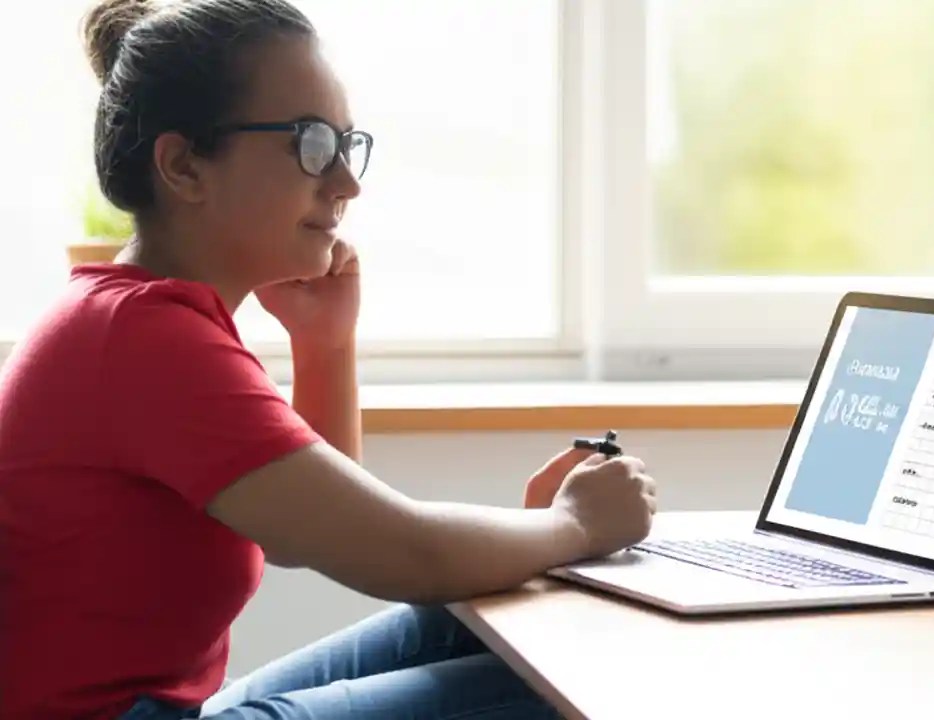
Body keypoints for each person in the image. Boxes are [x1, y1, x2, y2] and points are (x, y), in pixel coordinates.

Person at [0, 1, 657, 718]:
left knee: (484, 626)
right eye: (310, 143)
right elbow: (406, 554)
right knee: (563, 681)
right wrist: (576, 525)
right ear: (184, 166)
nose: (346, 182)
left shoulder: (137, 318)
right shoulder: (146, 340)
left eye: (347, 144)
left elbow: (307, 535)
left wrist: (325, 343)